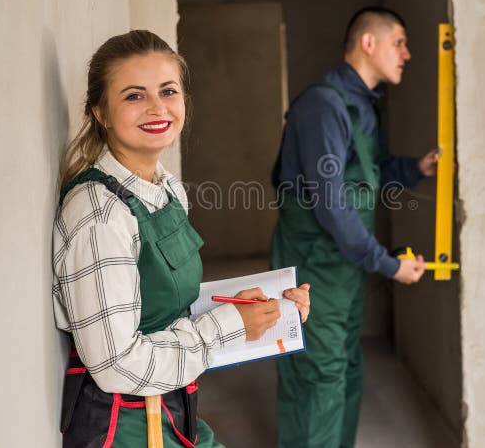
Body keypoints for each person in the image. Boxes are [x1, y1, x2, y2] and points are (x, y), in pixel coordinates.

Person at [52, 30, 311, 447]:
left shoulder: (167, 188)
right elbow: (117, 364)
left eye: (167, 91)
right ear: (100, 112)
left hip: (171, 411)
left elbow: (164, 309)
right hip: (127, 429)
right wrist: (229, 325)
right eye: (134, 96)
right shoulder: (100, 214)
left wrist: (259, 306)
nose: (157, 108)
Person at [271, 7, 439, 448]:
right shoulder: (322, 106)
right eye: (399, 42)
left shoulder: (362, 105)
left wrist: (415, 169)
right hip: (313, 262)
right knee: (317, 372)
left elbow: (371, 170)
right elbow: (331, 201)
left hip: (342, 264)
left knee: (344, 364)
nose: (407, 53)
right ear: (369, 43)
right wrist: (385, 263)